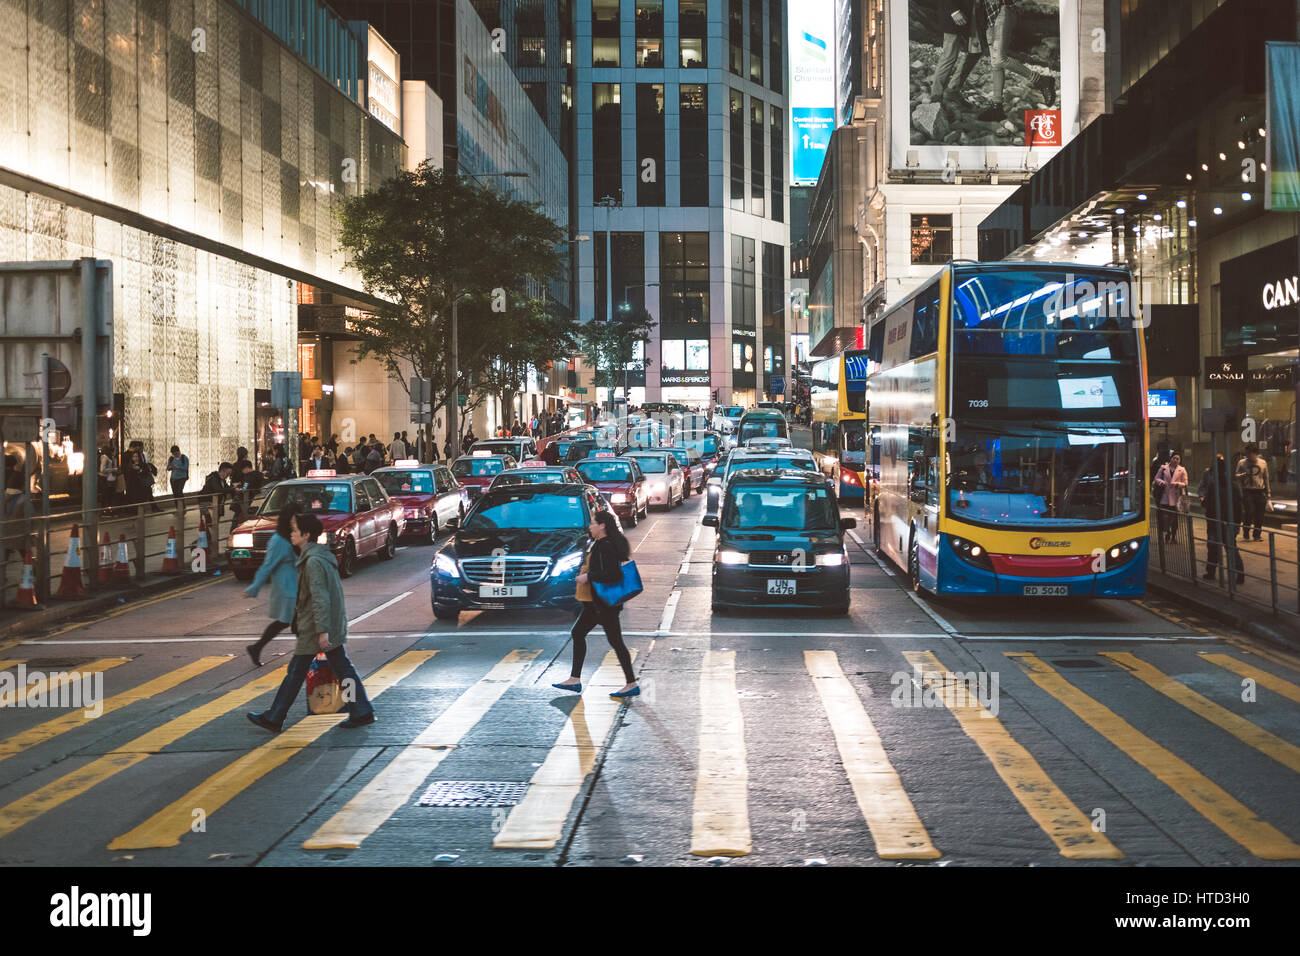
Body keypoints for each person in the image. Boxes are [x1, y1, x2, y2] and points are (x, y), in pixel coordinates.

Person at [247, 512, 376, 731]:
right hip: (323, 625)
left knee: (298, 672)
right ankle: (361, 710)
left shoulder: (313, 561)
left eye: (295, 530)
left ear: (306, 535)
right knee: (341, 669)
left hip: (317, 628)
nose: (292, 534)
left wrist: (323, 631)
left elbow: (320, 598)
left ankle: (275, 717)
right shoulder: (319, 556)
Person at [551, 511, 639, 699]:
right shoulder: (599, 544)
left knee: (616, 642)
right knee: (578, 633)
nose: (589, 526)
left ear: (602, 526)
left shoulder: (605, 546)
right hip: (596, 604)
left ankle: (631, 683)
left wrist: (588, 576)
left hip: (604, 605)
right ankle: (574, 679)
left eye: (592, 523)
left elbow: (613, 574)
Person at [244, 503, 300, 667]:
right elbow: (267, 565)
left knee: (288, 622)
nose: (297, 521)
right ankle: (304, 657)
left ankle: (256, 648)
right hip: (286, 587)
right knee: (295, 623)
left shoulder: (292, 535)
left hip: (295, 585)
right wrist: (254, 587)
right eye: (294, 518)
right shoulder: (278, 540)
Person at [1201, 456, 1245, 585]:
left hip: (1215, 522)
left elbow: (1208, 505)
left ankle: (1210, 572)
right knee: (1231, 548)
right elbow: (1239, 507)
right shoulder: (1234, 486)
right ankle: (1240, 574)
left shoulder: (1213, 486)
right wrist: (1237, 524)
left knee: (1213, 547)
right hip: (1229, 522)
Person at [1234, 443, 1270, 541]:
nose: (1248, 456)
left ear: (1255, 453)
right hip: (1248, 490)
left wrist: (1268, 493)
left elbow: (1266, 478)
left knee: (1260, 514)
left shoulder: (1263, 463)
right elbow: (1236, 475)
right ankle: (1246, 532)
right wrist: (1242, 475)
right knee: (1249, 512)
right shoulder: (1242, 462)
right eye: (1247, 454)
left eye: (1250, 454)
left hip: (1260, 491)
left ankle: (1257, 535)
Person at [1154, 453, 1188, 543]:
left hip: (1176, 497)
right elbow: (1156, 478)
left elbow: (1185, 483)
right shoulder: (1163, 468)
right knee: (1165, 517)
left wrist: (1178, 484)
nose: (1176, 460)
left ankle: (1173, 536)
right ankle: (1167, 532)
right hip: (1165, 497)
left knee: (1174, 518)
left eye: (1178, 458)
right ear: (1171, 458)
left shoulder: (1182, 470)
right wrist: (1162, 482)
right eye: (1174, 458)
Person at [97, 446, 119, 513]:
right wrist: (113, 470)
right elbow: (102, 469)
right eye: (114, 451)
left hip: (110, 478)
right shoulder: (105, 457)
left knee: (110, 494)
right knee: (106, 494)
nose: (115, 452)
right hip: (104, 478)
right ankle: (105, 510)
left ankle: (109, 509)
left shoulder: (112, 458)